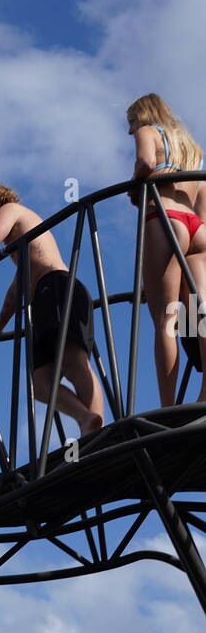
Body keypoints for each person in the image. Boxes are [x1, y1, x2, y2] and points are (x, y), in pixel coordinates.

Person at [0, 184, 103, 437]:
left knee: (74, 363)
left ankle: (100, 434)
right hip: (43, 296)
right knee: (40, 384)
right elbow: (16, 291)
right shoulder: (23, 247)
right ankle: (87, 419)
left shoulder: (11, 209)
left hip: (58, 288)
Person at [126, 94, 206, 404]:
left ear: (141, 116)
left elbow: (146, 162)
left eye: (131, 123)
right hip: (196, 227)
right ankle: (204, 393)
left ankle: (167, 406)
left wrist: (136, 183)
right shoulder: (190, 145)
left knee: (166, 318)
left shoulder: (149, 131)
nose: (131, 130)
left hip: (165, 219)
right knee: (197, 310)